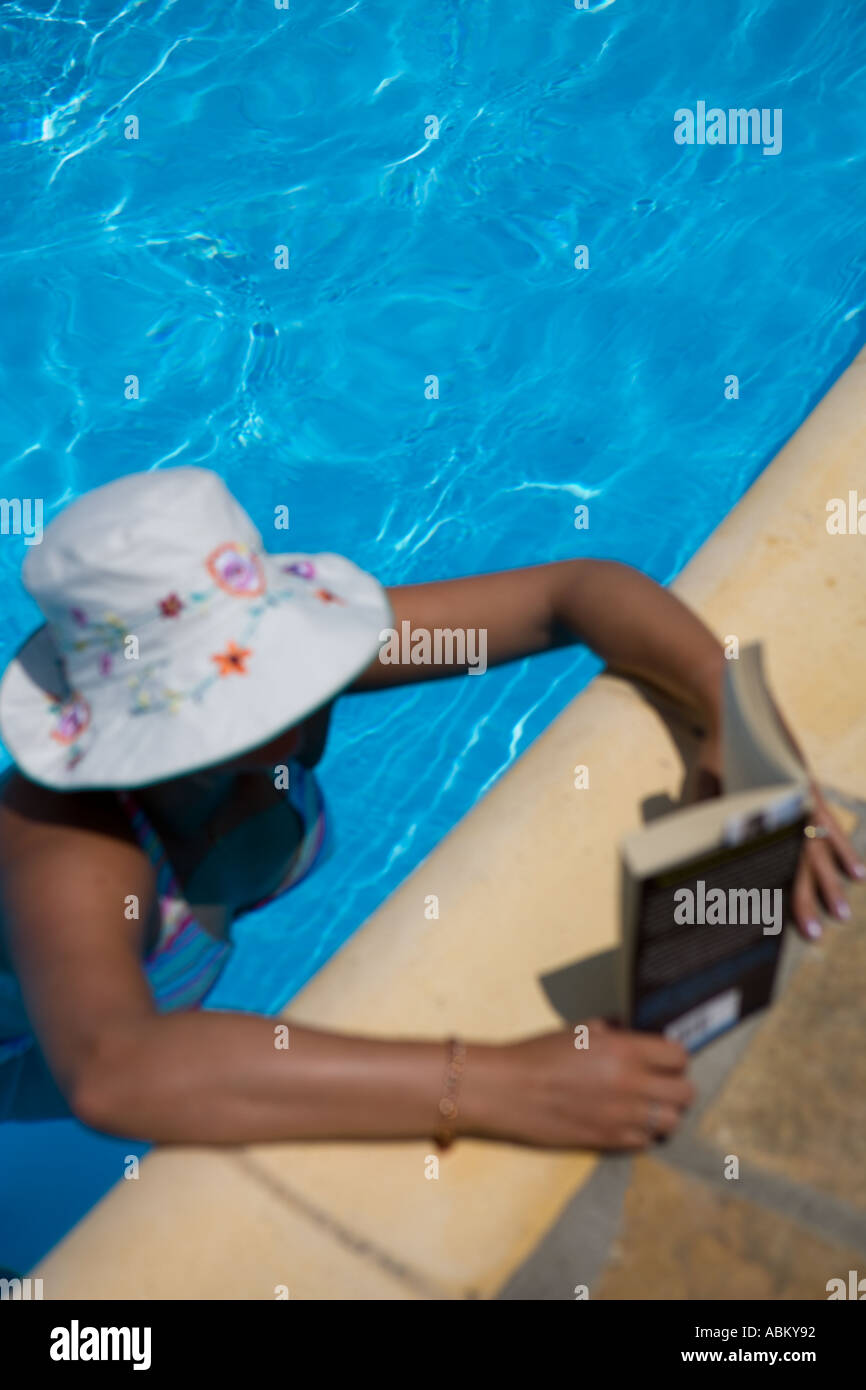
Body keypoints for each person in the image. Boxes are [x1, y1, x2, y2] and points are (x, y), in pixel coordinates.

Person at [0, 467, 860, 1145]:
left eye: (268, 679)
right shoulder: (67, 844)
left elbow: (573, 593)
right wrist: (499, 1087)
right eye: (231, 704)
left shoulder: (296, 679)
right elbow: (114, 1072)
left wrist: (743, 737)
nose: (285, 709)